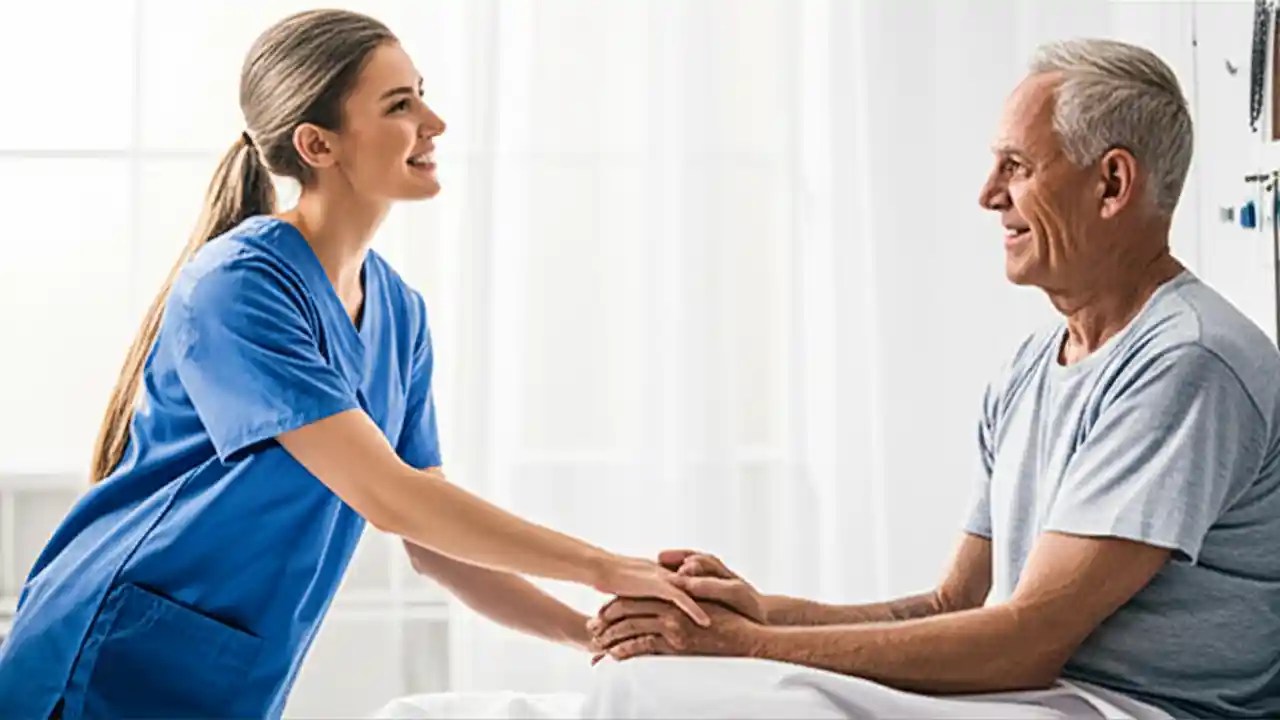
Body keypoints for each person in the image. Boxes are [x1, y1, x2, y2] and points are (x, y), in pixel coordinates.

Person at [379, 38, 1280, 720]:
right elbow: (947, 604)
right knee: (658, 687)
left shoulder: (1184, 364)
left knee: (737, 699)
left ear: (1112, 184)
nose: (987, 195)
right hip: (1052, 691)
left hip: (1132, 709)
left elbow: (1029, 639)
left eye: (1017, 166)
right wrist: (757, 613)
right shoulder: (1034, 368)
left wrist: (744, 643)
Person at [0, 10, 706, 720]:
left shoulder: (400, 313)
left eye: (421, 94)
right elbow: (387, 495)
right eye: (400, 104)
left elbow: (433, 545)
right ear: (317, 143)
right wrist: (601, 567)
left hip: (225, 669)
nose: (434, 121)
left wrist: (592, 633)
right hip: (111, 653)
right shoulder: (241, 285)